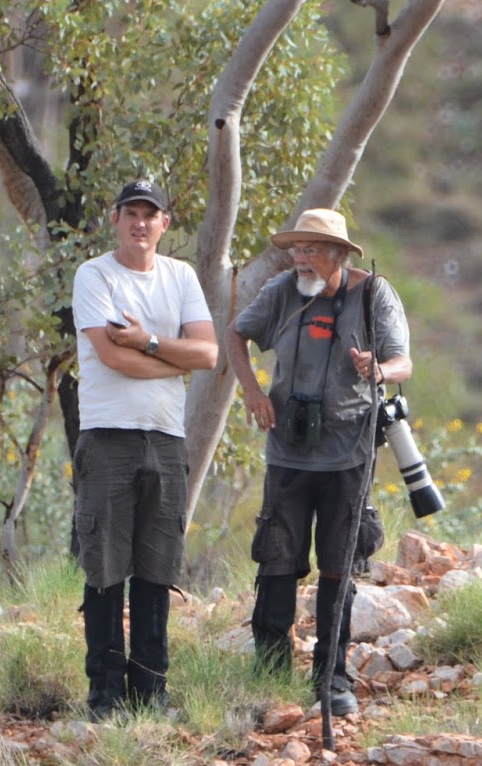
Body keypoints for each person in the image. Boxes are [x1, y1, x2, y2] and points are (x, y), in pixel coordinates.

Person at [226, 208, 412, 717]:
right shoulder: (283, 291)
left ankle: (332, 679)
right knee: (276, 559)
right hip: (287, 450)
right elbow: (235, 334)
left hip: (348, 453)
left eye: (311, 250)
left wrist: (378, 369)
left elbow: (403, 362)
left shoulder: (373, 295)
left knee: (339, 566)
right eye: (297, 249)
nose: (301, 259)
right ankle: (269, 675)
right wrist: (253, 392)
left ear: (338, 255)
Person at [70, 178, 218, 721]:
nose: (140, 223)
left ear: (164, 224)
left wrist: (149, 342)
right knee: (106, 564)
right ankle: (105, 694)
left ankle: (151, 692)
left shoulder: (180, 276)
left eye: (149, 214)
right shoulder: (94, 275)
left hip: (166, 436)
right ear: (115, 219)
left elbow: (208, 354)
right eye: (130, 212)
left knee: (158, 564)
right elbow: (113, 358)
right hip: (108, 433)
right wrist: (173, 362)